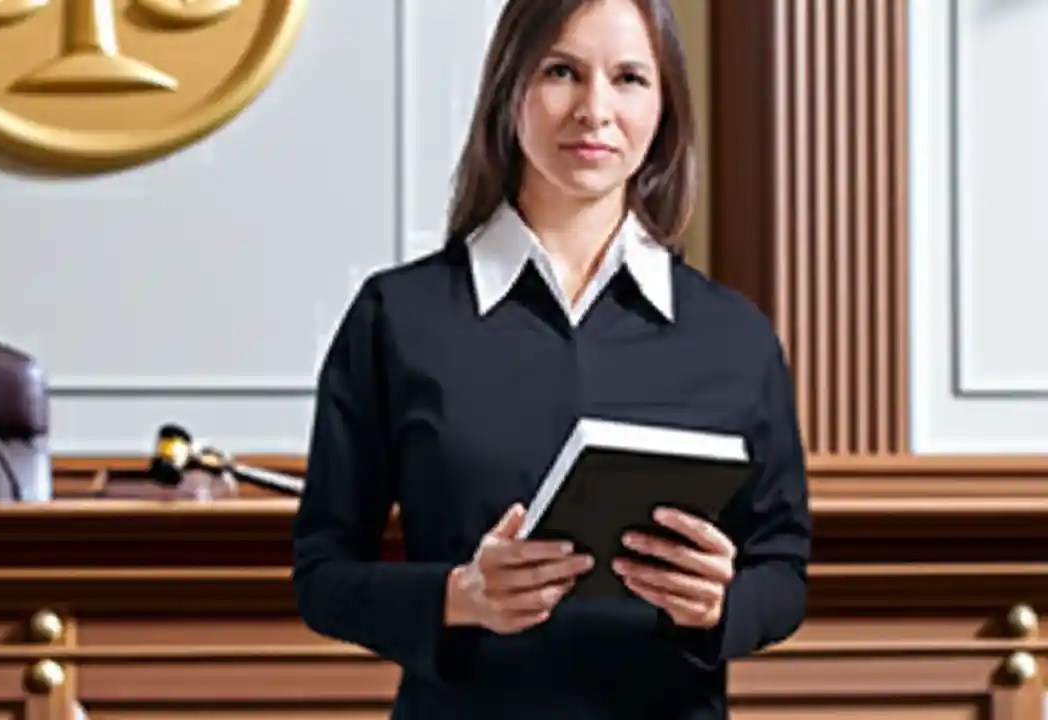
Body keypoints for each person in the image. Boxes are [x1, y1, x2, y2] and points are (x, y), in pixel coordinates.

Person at [291, 0, 811, 717]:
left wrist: (720, 605)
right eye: (561, 72)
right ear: (510, 89)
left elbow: (782, 575)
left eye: (630, 78)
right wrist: (459, 597)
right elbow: (322, 577)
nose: (595, 110)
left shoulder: (734, 337)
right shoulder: (399, 319)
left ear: (664, 108)